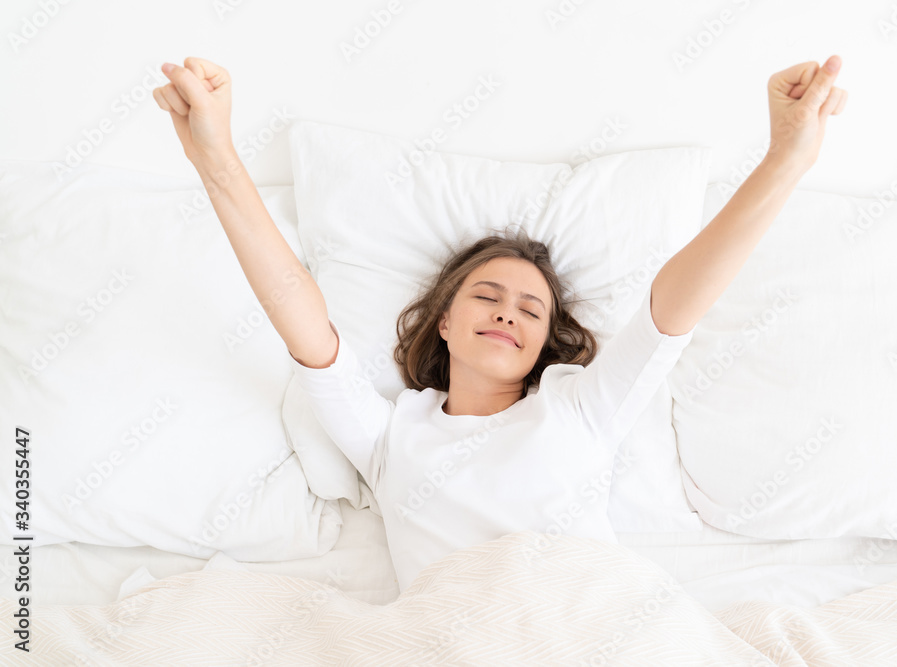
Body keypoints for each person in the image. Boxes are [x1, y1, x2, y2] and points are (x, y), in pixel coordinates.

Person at [153, 56, 847, 592]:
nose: (509, 311)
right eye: (488, 296)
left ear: (547, 344)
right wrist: (215, 157)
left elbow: (673, 310)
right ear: (445, 323)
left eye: (531, 308)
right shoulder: (392, 435)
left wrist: (785, 160)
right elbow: (296, 310)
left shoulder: (579, 407)